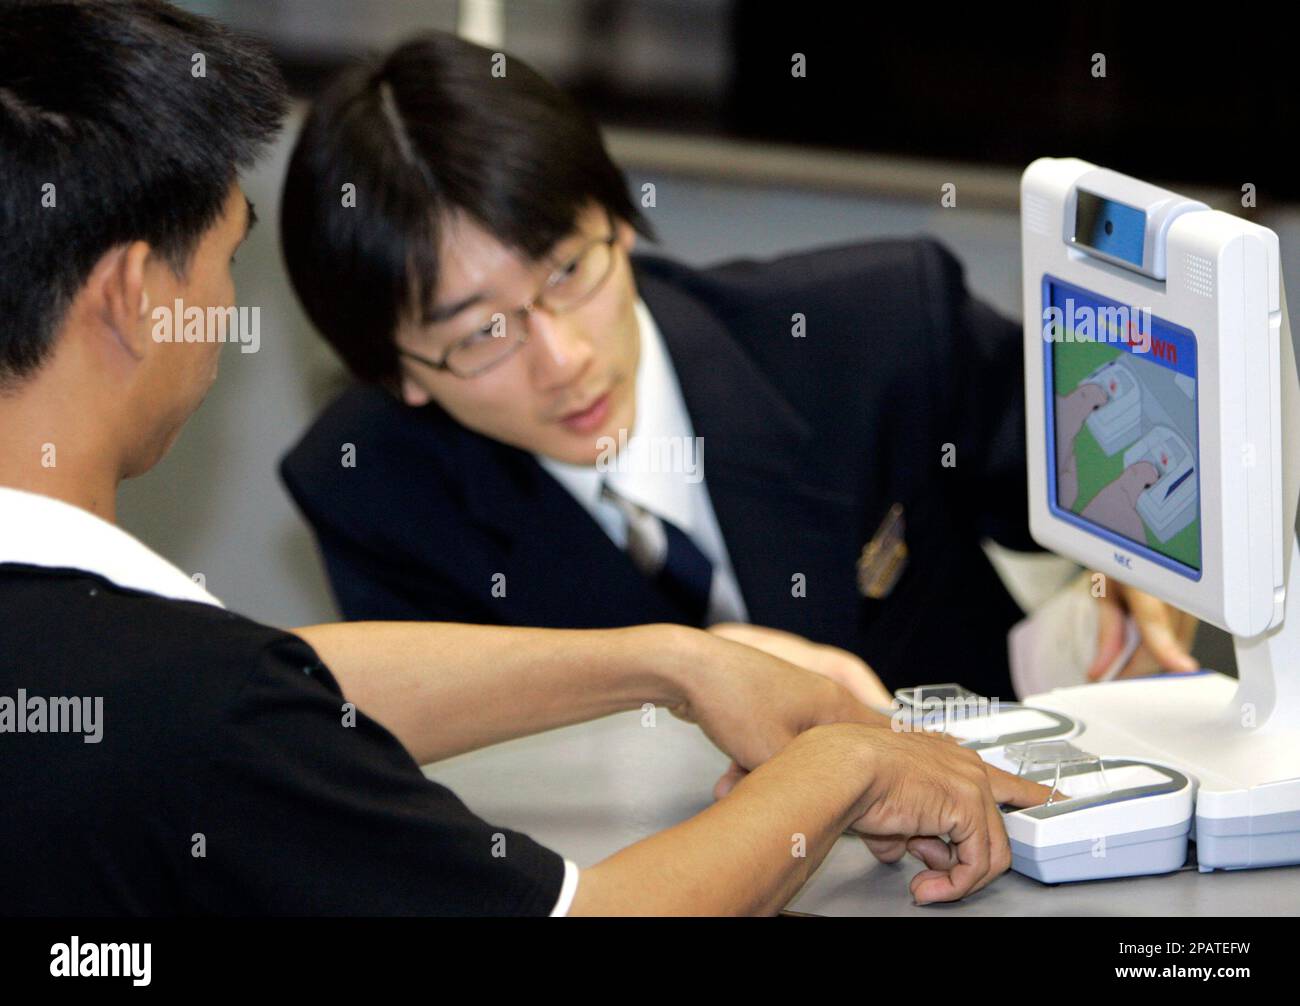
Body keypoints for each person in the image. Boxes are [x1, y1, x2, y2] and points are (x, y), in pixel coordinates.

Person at [0, 0, 1051, 916]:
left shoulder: (139, 669)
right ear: (136, 297)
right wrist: (845, 763)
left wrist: (677, 660)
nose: (558, 357)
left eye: (566, 273)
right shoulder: (203, 693)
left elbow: (279, 676)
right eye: (228, 264)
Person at [278, 32, 1199, 703]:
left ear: (621, 218)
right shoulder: (375, 489)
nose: (561, 360)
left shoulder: (878, 328)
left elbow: (1125, 483)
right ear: (397, 370)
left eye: (569, 269)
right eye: (481, 334)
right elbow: (460, 778)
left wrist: (1136, 565)